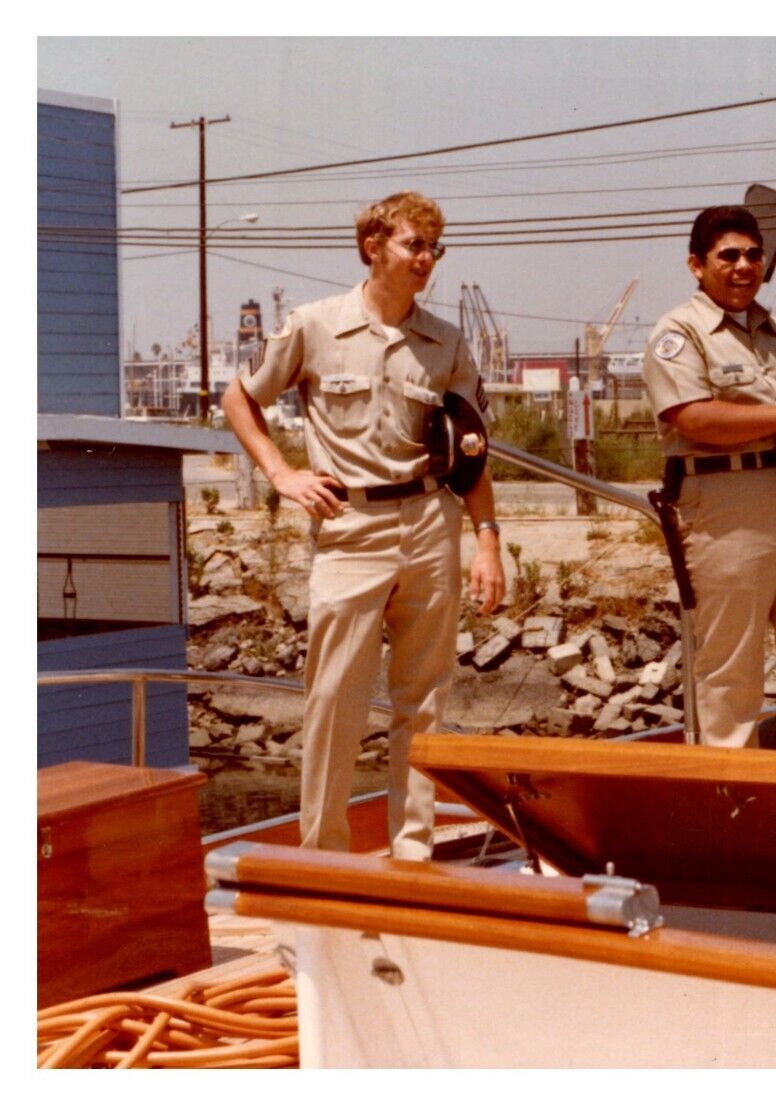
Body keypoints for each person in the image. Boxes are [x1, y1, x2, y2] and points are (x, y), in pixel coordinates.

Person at [221, 190, 505, 859]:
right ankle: (322, 856)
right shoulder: (315, 326)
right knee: (333, 702)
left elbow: (473, 451)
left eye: (435, 248)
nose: (427, 259)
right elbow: (239, 398)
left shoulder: (447, 342)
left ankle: (412, 856)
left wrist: (488, 541)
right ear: (374, 248)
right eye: (414, 245)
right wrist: (282, 475)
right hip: (351, 526)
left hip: (432, 521)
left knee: (424, 701)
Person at [642, 205, 776, 749]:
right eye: (729, 256)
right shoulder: (679, 332)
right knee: (731, 672)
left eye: (753, 255)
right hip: (725, 507)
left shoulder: (775, 331)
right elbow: (692, 417)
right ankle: (729, 812)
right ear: (697, 265)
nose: (744, 266)